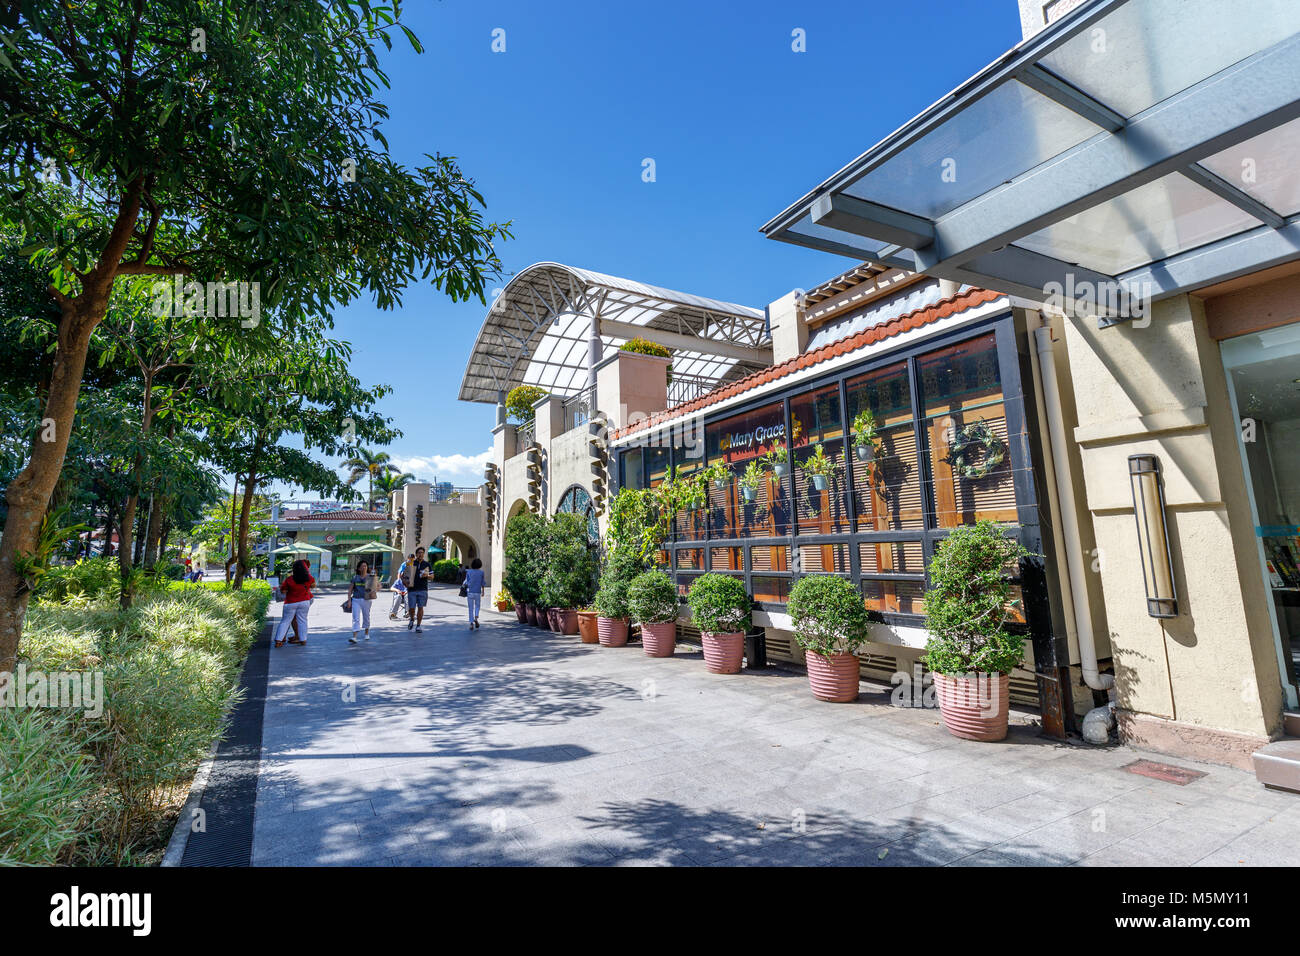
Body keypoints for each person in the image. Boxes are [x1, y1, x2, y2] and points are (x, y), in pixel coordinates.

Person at [274, 559, 314, 648]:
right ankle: (303, 640)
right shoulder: (309, 578)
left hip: (291, 602)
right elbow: (312, 586)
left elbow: (283, 591)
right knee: (303, 620)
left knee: (285, 621)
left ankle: (278, 641)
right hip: (305, 601)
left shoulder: (289, 579)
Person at [347, 559, 377, 644]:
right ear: (359, 568)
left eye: (365, 566)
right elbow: (350, 590)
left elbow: (376, 588)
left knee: (366, 616)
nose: (364, 567)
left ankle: (366, 633)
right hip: (356, 599)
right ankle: (354, 637)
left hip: (366, 600)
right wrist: (349, 601)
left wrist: (375, 584)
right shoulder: (355, 578)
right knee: (355, 618)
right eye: (362, 566)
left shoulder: (370, 577)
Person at [407, 546, 430, 634]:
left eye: (422, 553)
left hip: (423, 589)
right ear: (416, 554)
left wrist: (427, 575)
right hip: (412, 589)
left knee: (420, 607)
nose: (421, 554)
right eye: (419, 553)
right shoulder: (411, 563)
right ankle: (412, 619)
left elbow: (432, 576)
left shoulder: (427, 564)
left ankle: (418, 626)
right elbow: (405, 575)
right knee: (412, 608)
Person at [462, 557, 485, 630]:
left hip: (470, 591)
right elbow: (482, 582)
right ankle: (476, 617)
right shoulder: (481, 572)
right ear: (480, 564)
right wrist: (483, 591)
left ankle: (471, 623)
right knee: (477, 606)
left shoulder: (469, 572)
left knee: (470, 608)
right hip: (477, 592)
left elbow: (466, 581)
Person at [389, 553, 412, 619]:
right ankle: (393, 613)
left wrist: (407, 591)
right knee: (398, 596)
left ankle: (408, 612)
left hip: (405, 595)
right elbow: (391, 588)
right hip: (399, 595)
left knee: (407, 596)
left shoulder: (409, 581)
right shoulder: (399, 580)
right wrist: (397, 590)